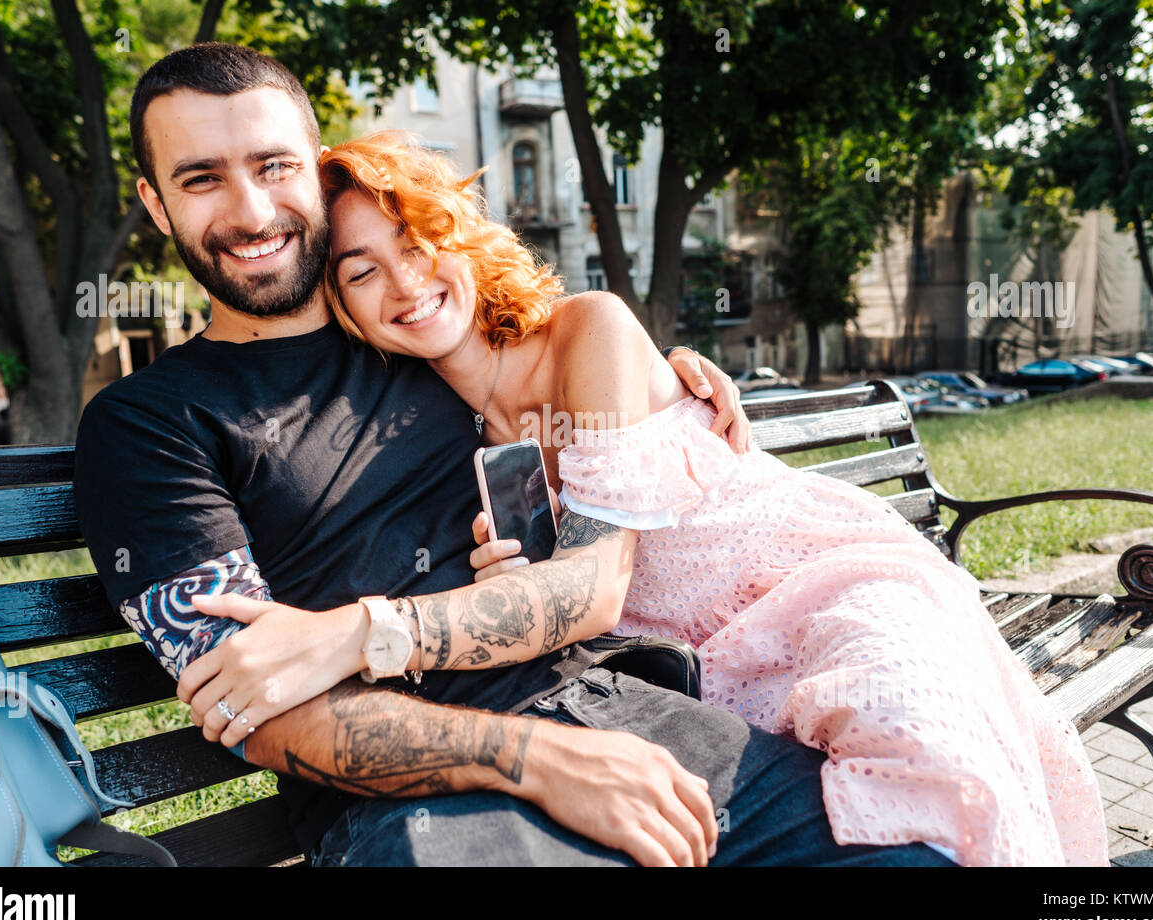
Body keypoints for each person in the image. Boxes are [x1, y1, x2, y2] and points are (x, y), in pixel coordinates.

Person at [74, 42, 957, 867]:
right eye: (201, 179)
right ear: (156, 204)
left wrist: (667, 381)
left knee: (910, 847)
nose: (252, 210)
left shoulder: (412, 336)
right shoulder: (148, 423)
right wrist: (533, 758)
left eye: (273, 167)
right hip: (417, 801)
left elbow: (561, 392)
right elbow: (257, 709)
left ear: (313, 165)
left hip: (624, 709)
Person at [191, 130, 1110, 866]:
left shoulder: (587, 327)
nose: (405, 281)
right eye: (359, 270)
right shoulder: (438, 426)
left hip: (814, 574)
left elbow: (593, 571)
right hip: (691, 647)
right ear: (341, 303)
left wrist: (370, 627)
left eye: (419, 241)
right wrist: (507, 568)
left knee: (912, 738)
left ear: (461, 239)